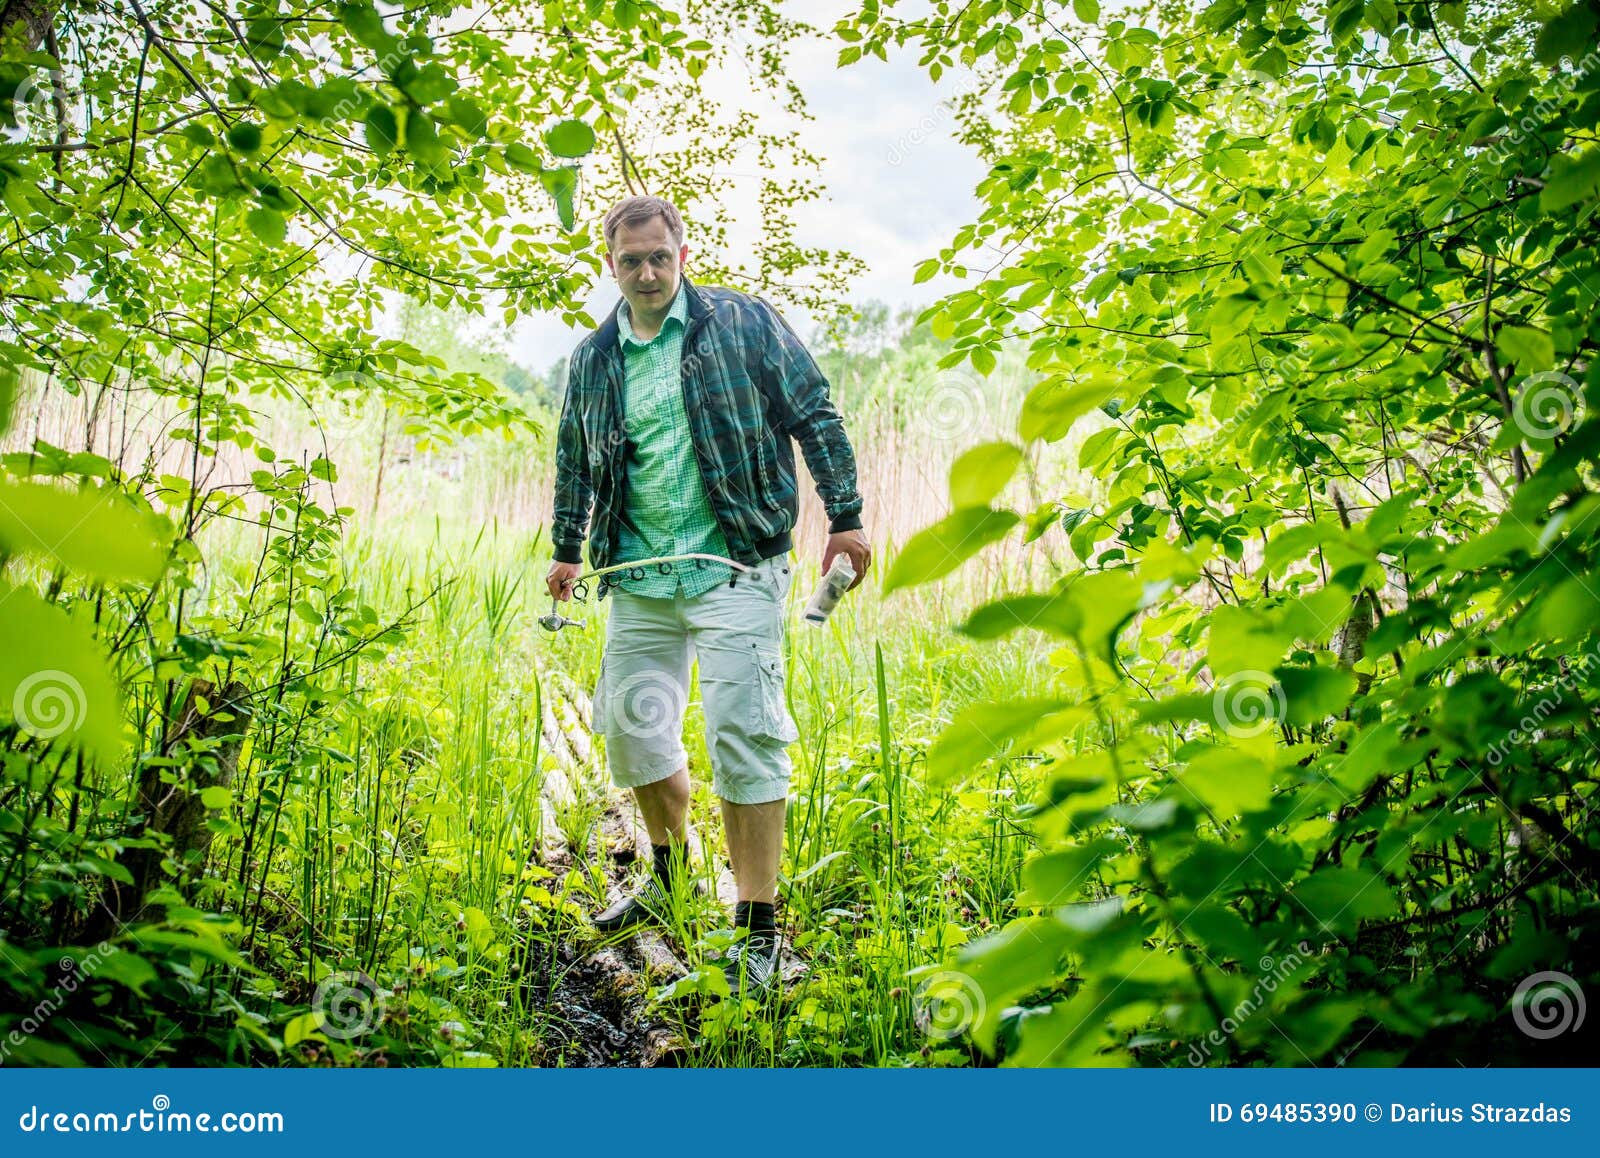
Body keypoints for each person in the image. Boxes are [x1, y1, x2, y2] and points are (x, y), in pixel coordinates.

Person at [544, 195, 870, 996]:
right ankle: (666, 874)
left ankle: (757, 928)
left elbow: (815, 413)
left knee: (744, 733)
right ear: (609, 265)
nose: (648, 272)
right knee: (632, 725)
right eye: (631, 261)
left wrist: (847, 518)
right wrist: (566, 549)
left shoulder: (742, 323)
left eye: (661, 257)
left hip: (737, 564)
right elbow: (574, 462)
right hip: (640, 575)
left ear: (682, 255)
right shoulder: (595, 359)